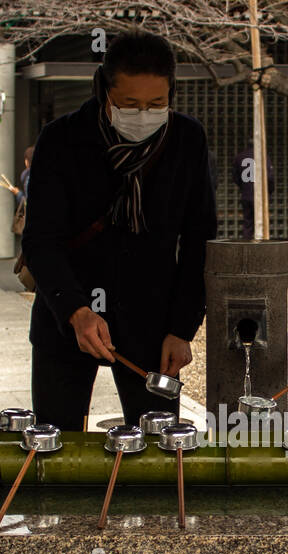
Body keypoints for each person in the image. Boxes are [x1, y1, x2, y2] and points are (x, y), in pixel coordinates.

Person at [22, 30, 217, 430]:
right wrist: (77, 311)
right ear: (103, 92)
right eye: (130, 104)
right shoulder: (61, 140)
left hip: (153, 323)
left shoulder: (186, 139)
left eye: (156, 104)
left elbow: (200, 240)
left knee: (160, 449)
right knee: (58, 446)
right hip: (67, 318)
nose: (143, 114)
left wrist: (182, 328)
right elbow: (41, 240)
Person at [233, 142, 274, 240]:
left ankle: (247, 248)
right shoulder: (263, 156)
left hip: (246, 195)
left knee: (247, 224)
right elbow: (270, 178)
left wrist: (244, 188)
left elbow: (235, 178)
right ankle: (261, 248)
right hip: (260, 196)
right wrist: (270, 192)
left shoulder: (239, 157)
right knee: (262, 224)